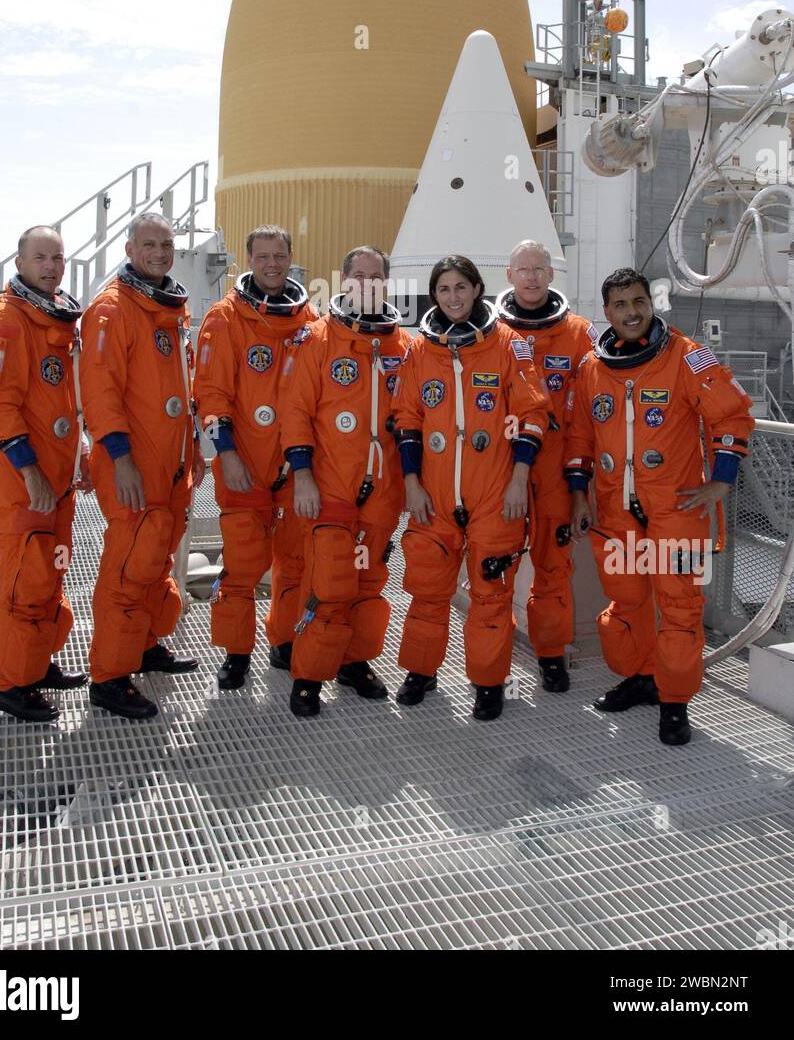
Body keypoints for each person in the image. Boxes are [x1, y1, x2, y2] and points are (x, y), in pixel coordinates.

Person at [565, 268, 756, 745]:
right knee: (627, 603)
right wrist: (578, 495)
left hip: (676, 510)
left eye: (638, 302)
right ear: (606, 311)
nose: (631, 313)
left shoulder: (688, 358)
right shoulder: (592, 367)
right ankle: (643, 676)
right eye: (620, 305)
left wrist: (722, 480)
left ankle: (675, 702)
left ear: (651, 304)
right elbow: (580, 438)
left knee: (679, 608)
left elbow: (732, 416)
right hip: (615, 512)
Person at [394, 256, 549, 720]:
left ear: (478, 288)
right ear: (434, 295)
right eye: (444, 289)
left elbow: (534, 416)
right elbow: (407, 422)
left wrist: (520, 479)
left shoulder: (509, 346)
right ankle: (421, 671)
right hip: (436, 498)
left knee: (490, 594)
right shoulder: (420, 351)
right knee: (427, 590)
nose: (454, 297)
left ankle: (487, 681)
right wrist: (412, 485)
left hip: (496, 494)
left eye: (462, 287)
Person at [80, 212, 204, 720]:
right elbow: (100, 393)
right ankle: (109, 675)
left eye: (166, 245)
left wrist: (193, 455)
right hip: (133, 464)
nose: (159, 252)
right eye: (149, 244)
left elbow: (183, 391)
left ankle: (146, 644)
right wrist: (120, 460)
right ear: (129, 249)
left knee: (157, 558)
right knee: (129, 568)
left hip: (171, 465)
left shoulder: (170, 308)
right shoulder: (112, 310)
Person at [280, 247, 409, 718]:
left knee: (370, 582)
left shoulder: (403, 348)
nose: (367, 284)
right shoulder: (316, 340)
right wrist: (303, 478)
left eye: (376, 277)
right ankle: (309, 675)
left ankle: (355, 663)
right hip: (331, 486)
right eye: (358, 276)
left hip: (382, 491)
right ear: (344, 282)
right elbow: (295, 414)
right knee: (329, 583)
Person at [0, 226, 91, 722]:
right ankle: (11, 684)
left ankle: (36, 662)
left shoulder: (54, 322)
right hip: (20, 480)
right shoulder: (7, 323)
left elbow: (64, 400)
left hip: (55, 476)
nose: (50, 265)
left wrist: (76, 453)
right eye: (39, 257)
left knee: (49, 574)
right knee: (23, 581)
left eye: (57, 258)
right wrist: (31, 473)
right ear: (19, 263)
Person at [194, 225, 316, 690]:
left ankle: (283, 640)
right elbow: (210, 394)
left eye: (279, 255)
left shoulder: (309, 320)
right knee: (243, 564)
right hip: (243, 463)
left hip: (295, 467)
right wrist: (226, 454)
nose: (271, 264)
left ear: (290, 257)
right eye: (262, 255)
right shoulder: (225, 319)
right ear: (248, 259)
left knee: (294, 561)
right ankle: (236, 651)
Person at [497, 240, 596, 693]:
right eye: (523, 269)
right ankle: (491, 665)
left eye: (540, 268)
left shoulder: (578, 334)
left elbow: (590, 411)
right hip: (502, 468)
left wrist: (580, 480)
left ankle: (551, 654)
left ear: (552, 275)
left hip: (555, 469)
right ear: (509, 275)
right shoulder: (491, 331)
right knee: (495, 566)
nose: (532, 277)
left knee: (554, 566)